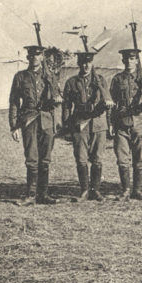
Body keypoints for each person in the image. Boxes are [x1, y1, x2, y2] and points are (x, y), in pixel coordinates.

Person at [8, 45, 61, 205]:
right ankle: (31, 195)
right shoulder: (20, 77)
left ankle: (43, 194)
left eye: (38, 55)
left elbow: (57, 97)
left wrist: (56, 100)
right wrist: (14, 125)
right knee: (32, 158)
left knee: (45, 159)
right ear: (28, 58)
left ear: (42, 57)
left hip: (46, 119)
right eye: (31, 56)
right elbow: (14, 102)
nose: (34, 58)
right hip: (29, 120)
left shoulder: (50, 76)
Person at [61, 51, 112, 201]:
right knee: (81, 158)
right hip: (79, 124)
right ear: (78, 64)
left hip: (98, 124)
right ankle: (84, 190)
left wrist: (109, 124)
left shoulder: (101, 80)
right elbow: (66, 106)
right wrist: (67, 126)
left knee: (97, 158)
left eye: (88, 62)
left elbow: (108, 102)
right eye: (82, 63)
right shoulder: (71, 82)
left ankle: (95, 190)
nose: (85, 66)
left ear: (92, 63)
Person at [110, 48, 142, 200]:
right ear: (123, 61)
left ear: (137, 60)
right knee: (122, 159)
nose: (129, 61)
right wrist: (112, 122)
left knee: (140, 158)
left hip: (140, 122)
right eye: (127, 59)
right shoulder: (117, 79)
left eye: (132, 58)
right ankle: (126, 190)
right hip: (122, 123)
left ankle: (137, 190)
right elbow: (113, 102)